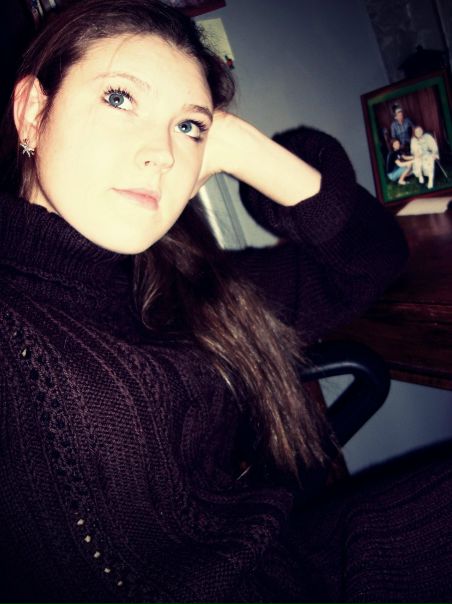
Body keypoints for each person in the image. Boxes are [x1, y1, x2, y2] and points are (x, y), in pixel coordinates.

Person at [1, 1, 452, 603]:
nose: (163, 153)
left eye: (188, 127)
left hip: (296, 563)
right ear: (33, 112)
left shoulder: (181, 287)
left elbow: (371, 257)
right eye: (119, 98)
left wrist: (242, 148)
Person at [410, 124, 440, 189]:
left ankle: (430, 180)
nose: (418, 132)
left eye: (420, 131)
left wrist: (434, 153)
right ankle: (420, 175)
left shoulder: (427, 136)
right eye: (417, 132)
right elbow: (413, 151)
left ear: (422, 131)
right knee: (417, 161)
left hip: (427, 154)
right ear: (414, 133)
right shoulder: (413, 140)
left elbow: (434, 147)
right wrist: (417, 154)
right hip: (418, 155)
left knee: (430, 160)